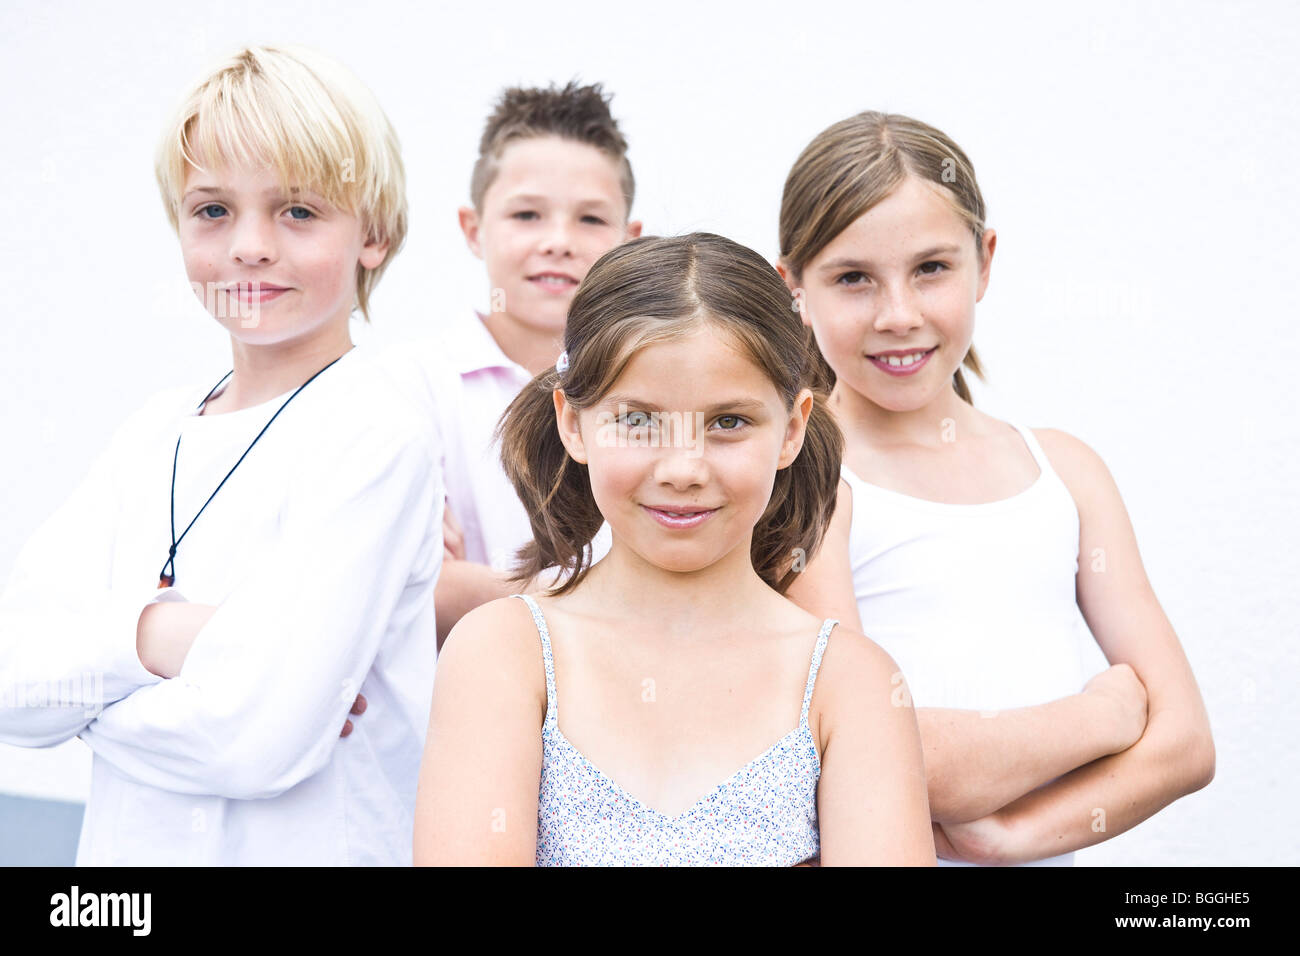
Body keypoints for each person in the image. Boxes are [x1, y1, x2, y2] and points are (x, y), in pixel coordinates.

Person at [0, 45, 442, 865]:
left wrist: (89, 700)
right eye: (212, 210)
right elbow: (13, 683)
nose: (249, 246)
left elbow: (255, 740)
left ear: (373, 235)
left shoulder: (377, 434)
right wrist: (159, 640)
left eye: (298, 211)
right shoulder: (151, 433)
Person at [777, 110, 1215, 865]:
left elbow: (1185, 743)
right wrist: (1100, 716)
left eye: (931, 268)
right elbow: (877, 751)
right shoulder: (809, 481)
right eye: (853, 278)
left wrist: (1011, 837)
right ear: (794, 287)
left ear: (984, 260)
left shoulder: (1064, 473)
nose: (899, 315)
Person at [413, 233, 935, 866]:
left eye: (728, 422)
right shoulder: (503, 652)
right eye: (638, 421)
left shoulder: (851, 684)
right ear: (574, 423)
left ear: (792, 429)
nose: (683, 468)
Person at [376, 81, 642, 646]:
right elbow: (413, 591)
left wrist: (484, 585)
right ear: (473, 229)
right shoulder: (408, 387)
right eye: (526, 214)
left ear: (629, 239)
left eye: (591, 220)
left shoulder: (657, 389)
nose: (558, 241)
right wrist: (619, 604)